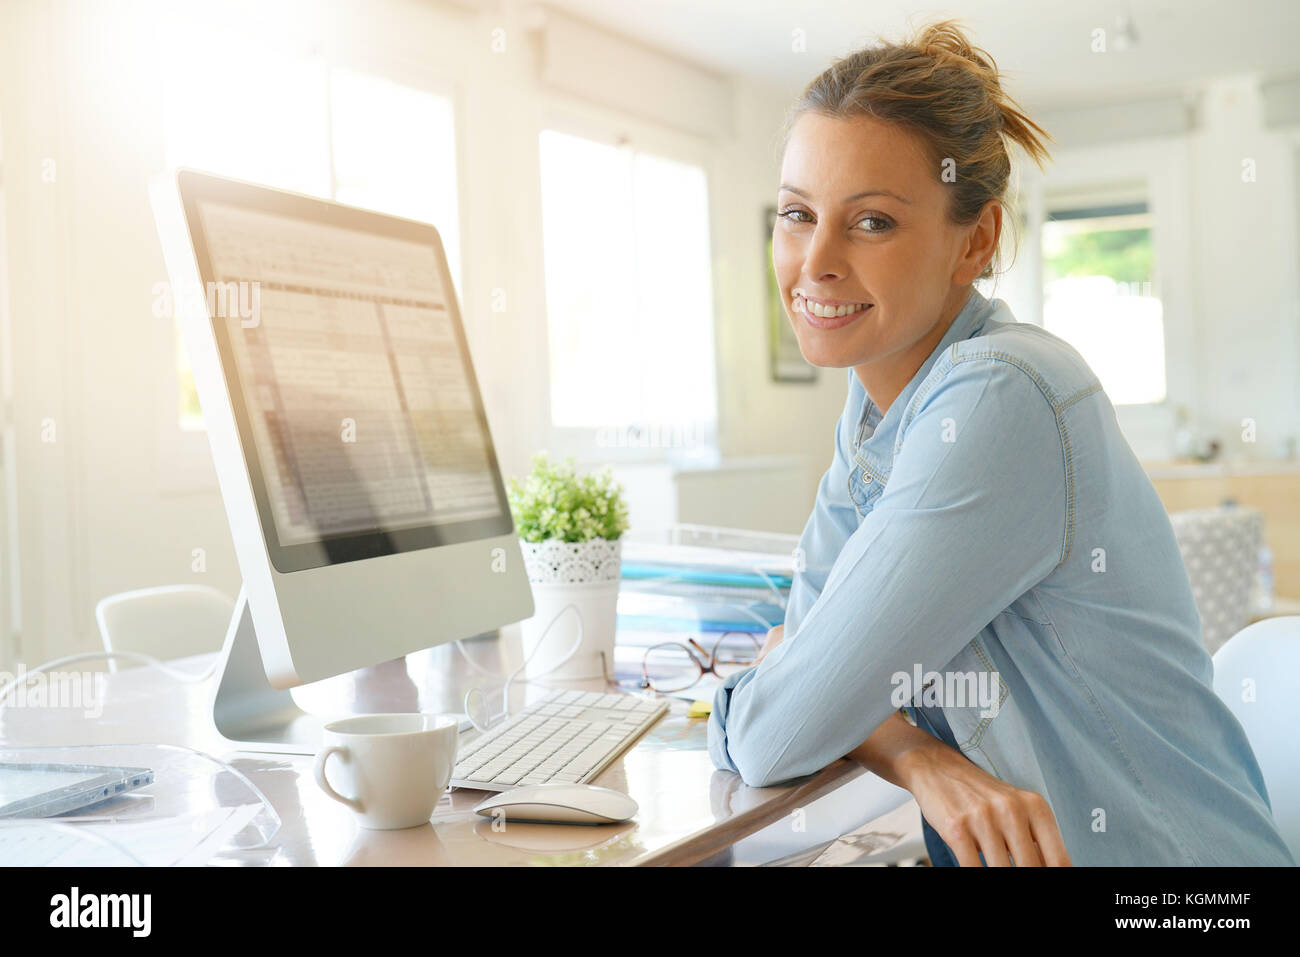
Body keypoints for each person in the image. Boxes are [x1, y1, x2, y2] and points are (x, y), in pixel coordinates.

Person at [707, 19, 1294, 867]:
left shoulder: (999, 399)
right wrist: (919, 757)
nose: (817, 259)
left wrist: (808, 698)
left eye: (871, 222)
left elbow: (776, 725)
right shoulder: (874, 415)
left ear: (975, 240)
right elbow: (808, 677)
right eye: (798, 214)